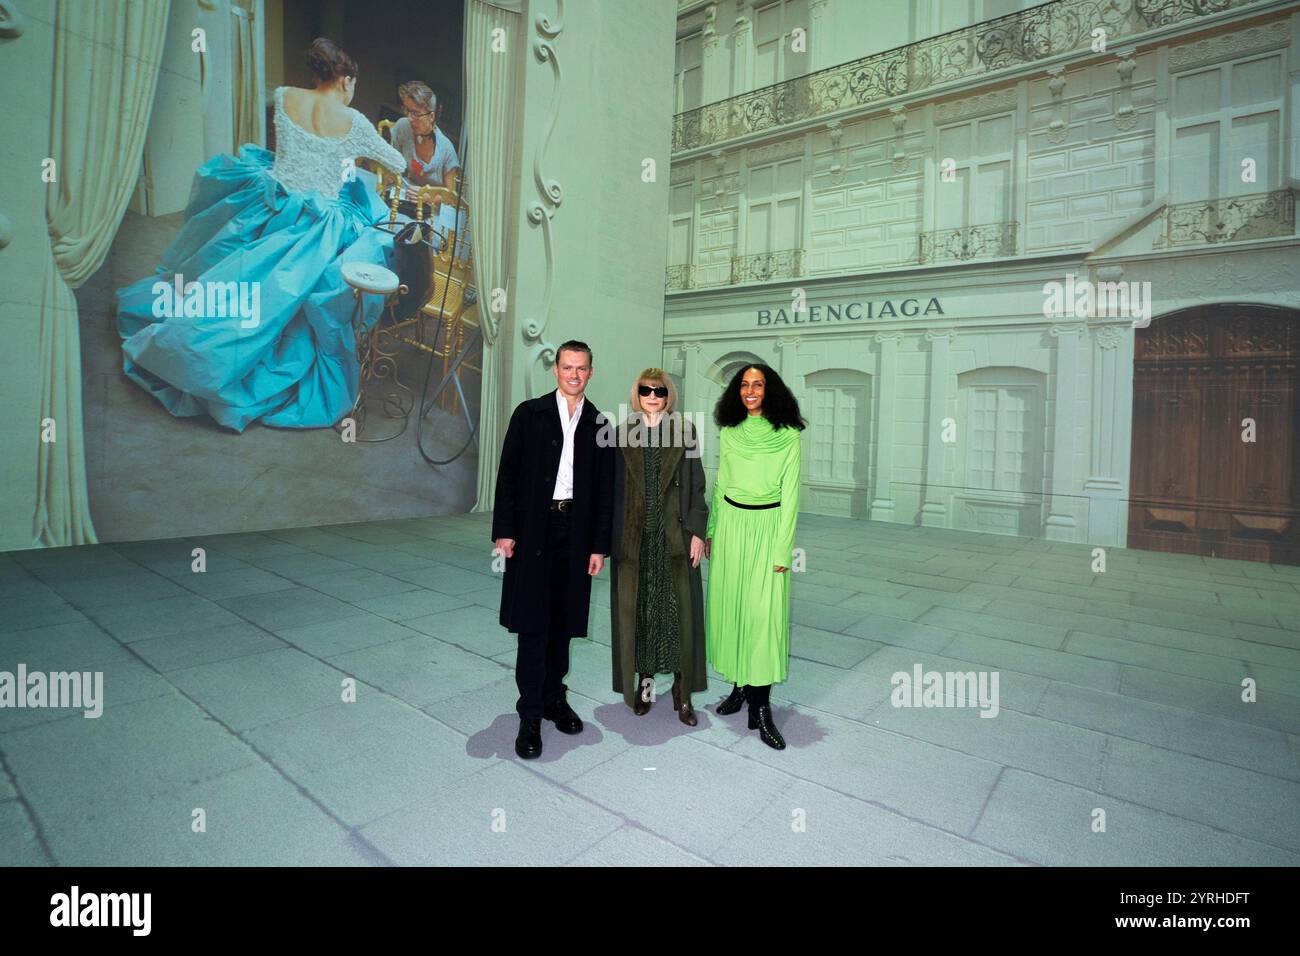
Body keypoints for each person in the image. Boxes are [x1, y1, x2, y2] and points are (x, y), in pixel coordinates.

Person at [115, 38, 407, 431]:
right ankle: (235, 366)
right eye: (352, 85)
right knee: (289, 293)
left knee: (233, 278)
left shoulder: (285, 96)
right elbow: (398, 162)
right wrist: (353, 158)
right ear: (346, 79)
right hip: (313, 224)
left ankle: (182, 341)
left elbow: (290, 151)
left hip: (272, 205)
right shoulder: (354, 122)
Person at [492, 341, 615, 759]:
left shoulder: (600, 424)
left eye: (581, 368)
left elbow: (604, 494)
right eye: (567, 367)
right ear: (556, 370)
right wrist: (505, 530)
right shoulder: (529, 414)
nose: (574, 375)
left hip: (576, 530)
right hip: (532, 530)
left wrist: (599, 546)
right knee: (533, 625)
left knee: (562, 623)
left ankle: (553, 698)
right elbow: (508, 473)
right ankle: (529, 714)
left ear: (591, 372)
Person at [705, 364, 805, 750]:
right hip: (731, 526)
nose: (749, 391)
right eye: (744, 385)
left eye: (757, 385)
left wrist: (783, 548)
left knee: (763, 618)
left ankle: (760, 708)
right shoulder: (729, 431)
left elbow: (792, 495)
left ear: (770, 390)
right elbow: (720, 483)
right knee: (734, 610)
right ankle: (739, 687)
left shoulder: (789, 436)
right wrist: (712, 529)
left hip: (767, 531)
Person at [609, 370, 708, 725]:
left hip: (675, 540)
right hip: (636, 542)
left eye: (659, 390)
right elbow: (611, 493)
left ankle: (683, 691)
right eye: (646, 390)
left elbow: (697, 487)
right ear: (637, 393)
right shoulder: (620, 435)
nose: (652, 395)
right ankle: (646, 683)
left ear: (669, 395)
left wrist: (698, 532)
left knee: (679, 617)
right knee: (641, 616)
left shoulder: (686, 433)